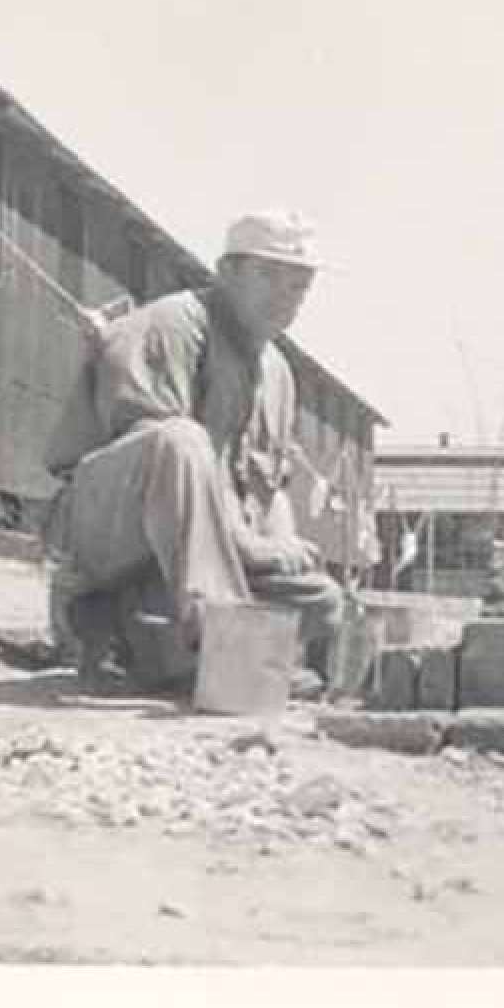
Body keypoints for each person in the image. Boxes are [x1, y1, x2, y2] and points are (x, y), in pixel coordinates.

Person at [40, 210, 342, 693]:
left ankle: (172, 651)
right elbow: (159, 459)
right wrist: (248, 546)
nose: (285, 296)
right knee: (180, 439)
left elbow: (273, 492)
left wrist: (282, 552)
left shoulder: (279, 371)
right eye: (268, 276)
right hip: (107, 531)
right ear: (226, 273)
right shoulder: (172, 324)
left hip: (203, 553)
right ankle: (219, 646)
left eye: (298, 286)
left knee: (325, 601)